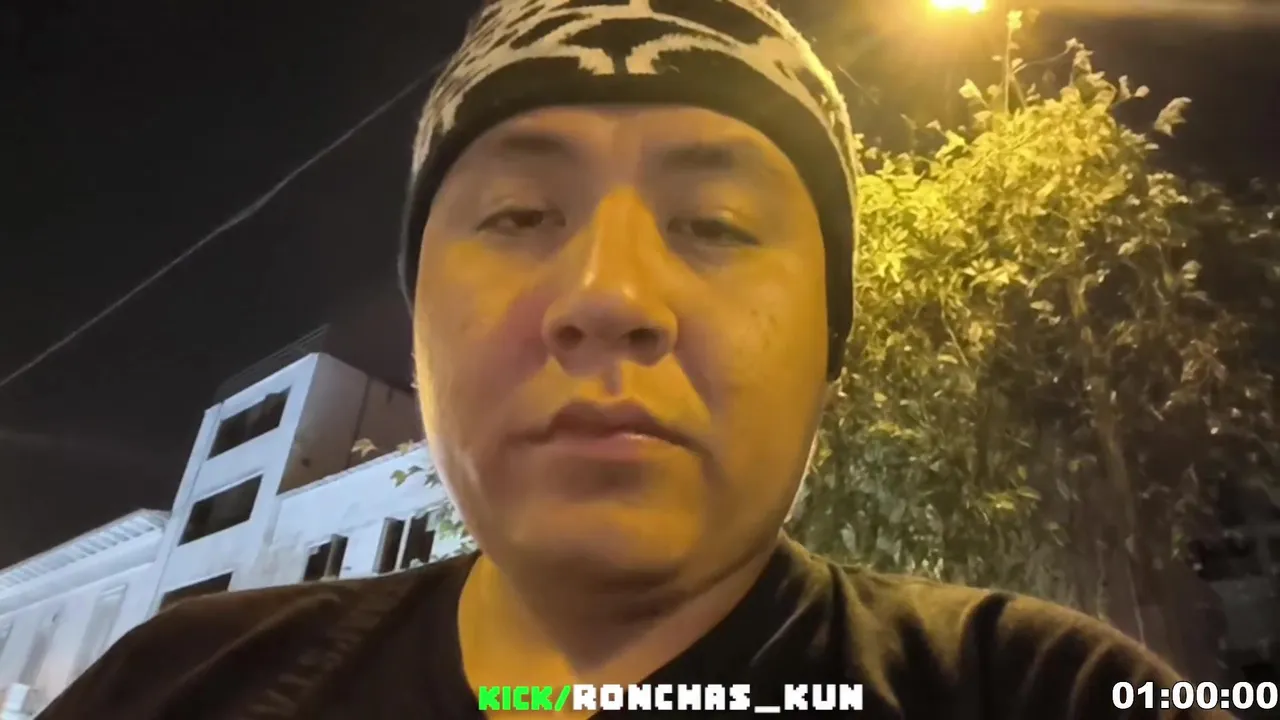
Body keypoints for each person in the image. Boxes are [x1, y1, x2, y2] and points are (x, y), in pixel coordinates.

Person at [41, 1, 1232, 718]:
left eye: (714, 224)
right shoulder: (177, 687)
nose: (607, 298)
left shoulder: (1036, 692)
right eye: (518, 215)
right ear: (419, 328)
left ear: (827, 344)